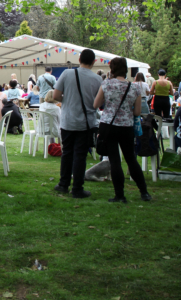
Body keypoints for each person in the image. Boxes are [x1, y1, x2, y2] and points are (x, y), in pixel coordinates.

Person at [92, 57, 151, 203]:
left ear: (111, 69)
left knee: (115, 161)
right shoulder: (135, 87)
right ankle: (144, 192)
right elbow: (137, 112)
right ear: (126, 69)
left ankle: (120, 195)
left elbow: (96, 104)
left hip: (109, 125)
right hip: (126, 126)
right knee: (131, 159)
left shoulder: (106, 84)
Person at [52, 49, 103, 199]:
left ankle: (63, 184)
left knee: (67, 153)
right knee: (80, 155)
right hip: (86, 122)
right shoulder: (97, 79)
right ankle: (77, 188)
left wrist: (68, 100)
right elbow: (99, 103)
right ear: (94, 62)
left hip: (68, 120)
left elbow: (55, 95)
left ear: (79, 59)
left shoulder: (67, 74)